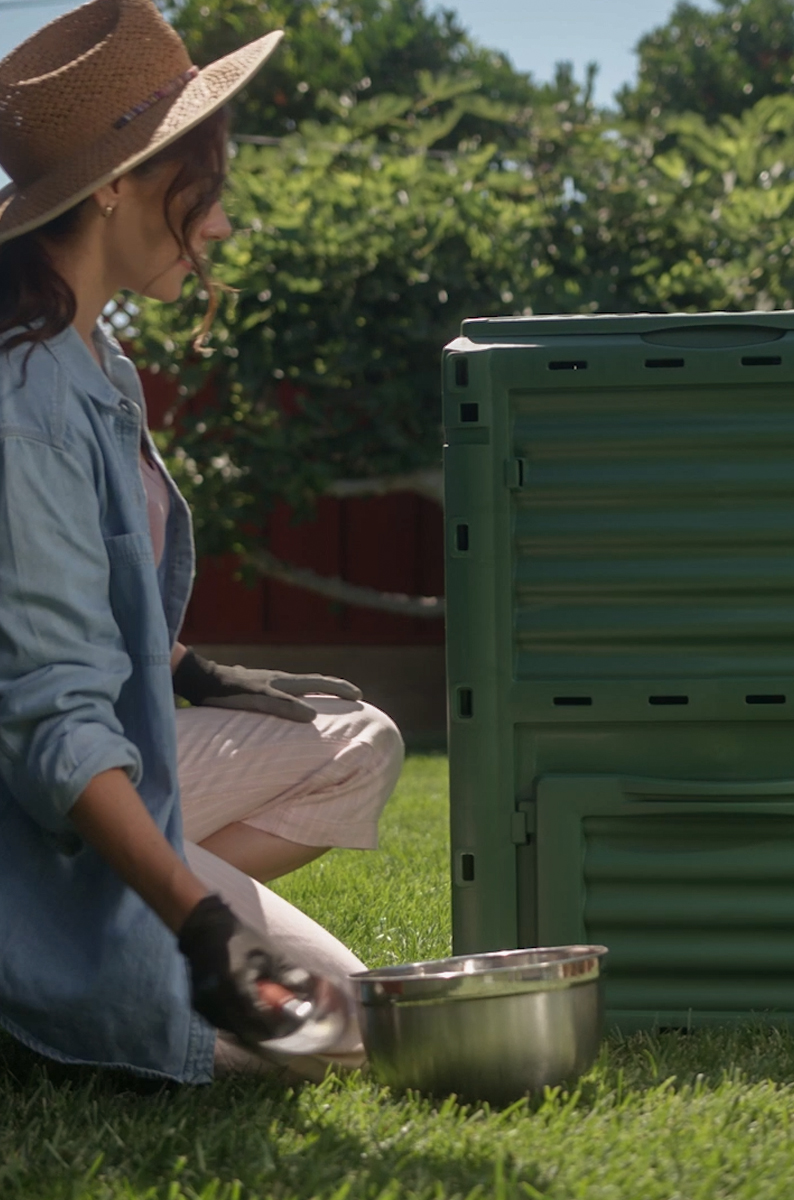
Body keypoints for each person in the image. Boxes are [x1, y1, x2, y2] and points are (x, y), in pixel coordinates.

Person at [0, 0, 404, 1084]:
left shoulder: (103, 373)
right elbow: (51, 721)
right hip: (34, 821)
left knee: (357, 742)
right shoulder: (26, 407)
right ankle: (66, 966)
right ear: (116, 184)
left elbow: (68, 598)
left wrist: (190, 671)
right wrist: (199, 930)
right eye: (205, 186)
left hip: (108, 773)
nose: (220, 224)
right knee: (339, 1037)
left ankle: (126, 903)